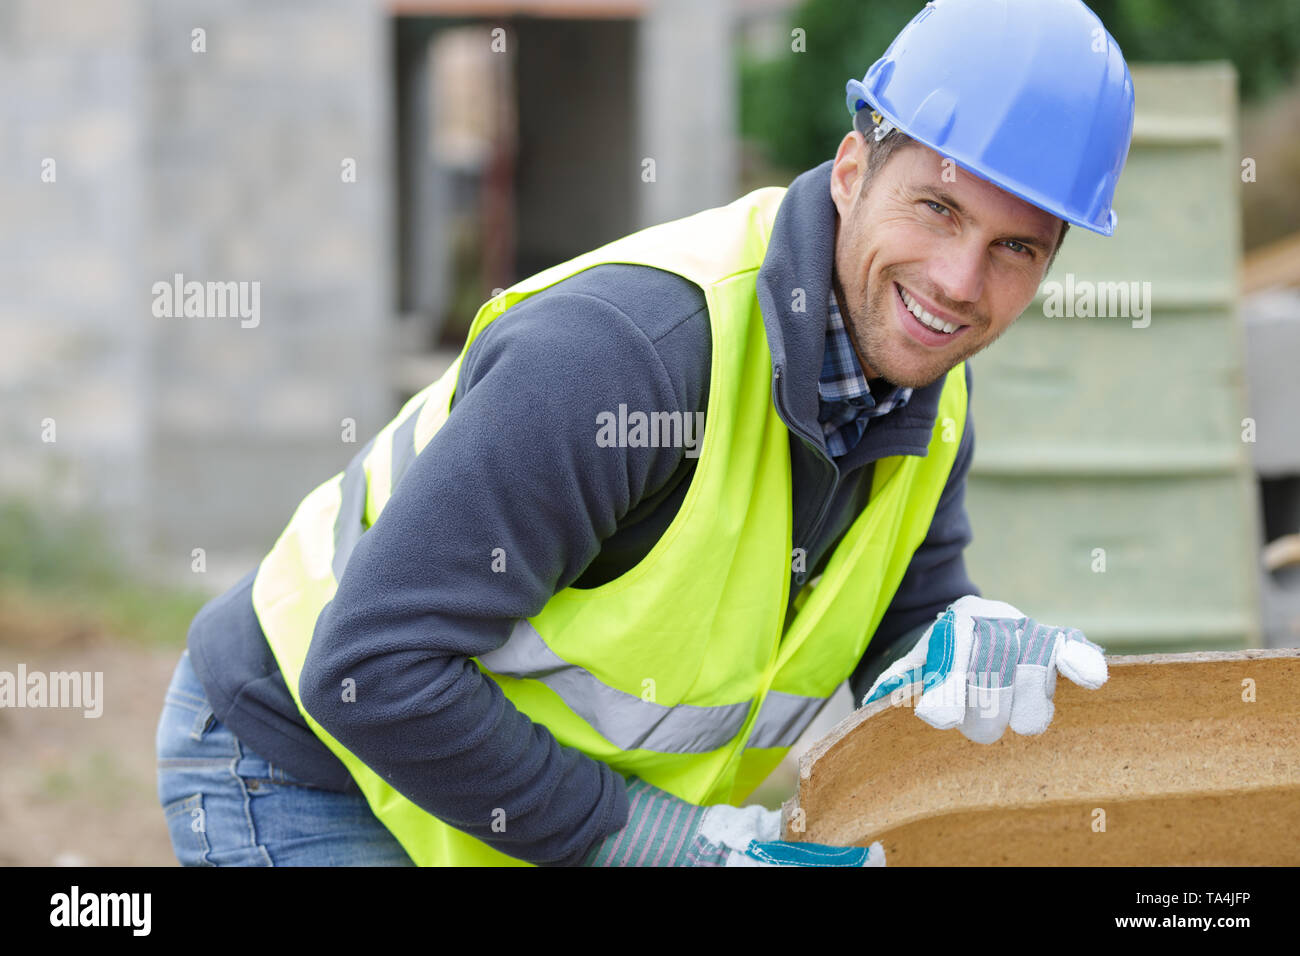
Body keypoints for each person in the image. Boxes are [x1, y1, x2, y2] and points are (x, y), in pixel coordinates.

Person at [156, 0, 1135, 867]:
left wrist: (948, 642)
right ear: (850, 172)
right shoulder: (625, 359)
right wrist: (641, 837)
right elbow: (369, 668)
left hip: (504, 801)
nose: (961, 281)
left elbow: (891, 614)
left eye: (1014, 248)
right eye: (936, 207)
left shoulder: (933, 399)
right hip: (298, 758)